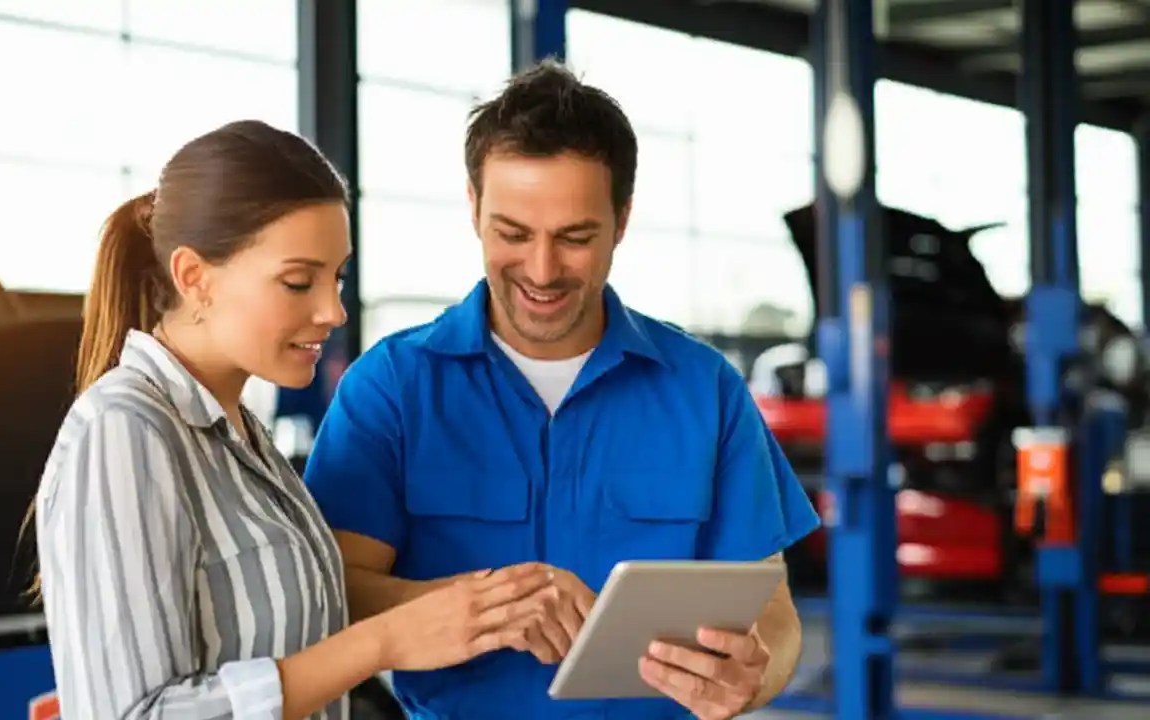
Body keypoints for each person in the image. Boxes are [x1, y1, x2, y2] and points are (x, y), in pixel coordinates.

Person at [302, 61, 822, 719]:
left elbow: (773, 613)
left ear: (622, 219)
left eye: (576, 238)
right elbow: (331, 596)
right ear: (473, 207)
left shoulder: (705, 390)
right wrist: (489, 606)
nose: (542, 270)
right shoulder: (392, 388)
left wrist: (756, 672)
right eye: (513, 234)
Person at [30, 120, 560, 720]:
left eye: (336, 278)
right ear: (193, 278)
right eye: (297, 282)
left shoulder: (241, 438)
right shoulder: (124, 432)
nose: (332, 310)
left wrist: (493, 604)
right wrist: (380, 644)